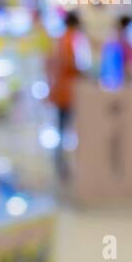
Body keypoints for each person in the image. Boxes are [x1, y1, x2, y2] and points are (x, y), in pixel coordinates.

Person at [48, 11, 84, 178]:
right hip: (66, 92)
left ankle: (60, 161)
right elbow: (70, 64)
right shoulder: (69, 40)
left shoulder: (61, 39)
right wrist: (82, 72)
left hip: (61, 90)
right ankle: (61, 163)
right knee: (65, 129)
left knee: (62, 127)